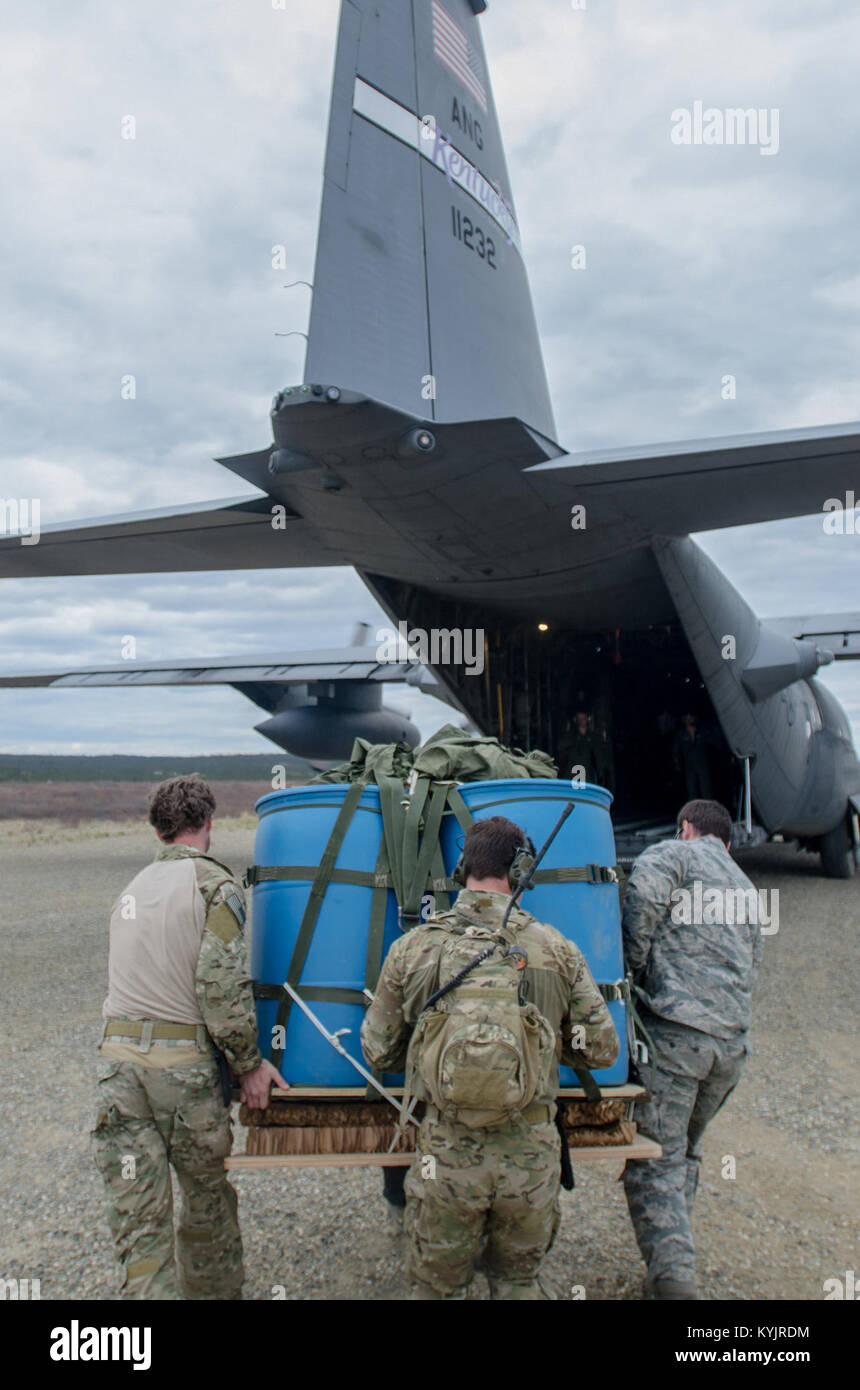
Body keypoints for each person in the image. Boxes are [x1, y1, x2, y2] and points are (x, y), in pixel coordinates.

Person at [361, 815, 618, 1300]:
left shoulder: (413, 949)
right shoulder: (558, 950)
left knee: (437, 1288)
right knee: (518, 1284)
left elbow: (379, 1048)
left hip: (446, 1154)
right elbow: (602, 1050)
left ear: (462, 869)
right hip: (531, 1158)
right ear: (520, 869)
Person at [91, 775, 286, 1299]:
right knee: (205, 1208)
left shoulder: (131, 890)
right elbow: (221, 988)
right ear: (207, 823)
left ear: (159, 830)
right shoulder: (214, 886)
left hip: (118, 1074)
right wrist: (248, 1064)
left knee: (139, 1220)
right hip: (182, 1078)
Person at [621, 798, 763, 1300]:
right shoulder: (746, 888)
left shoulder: (674, 856)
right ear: (726, 840)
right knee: (687, 1152)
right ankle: (669, 1265)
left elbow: (639, 909)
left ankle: (676, 1283)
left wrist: (630, 975)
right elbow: (752, 964)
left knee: (655, 1159)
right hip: (731, 1049)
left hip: (678, 1039)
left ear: (686, 828)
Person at [562, 709, 612, 789]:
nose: (582, 721)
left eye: (584, 718)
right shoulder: (569, 736)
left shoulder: (594, 738)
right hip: (571, 776)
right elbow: (561, 749)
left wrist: (601, 777)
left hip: (588, 777)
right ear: (576, 720)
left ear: (588, 719)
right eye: (579, 719)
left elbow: (599, 760)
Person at [672, 713, 713, 799]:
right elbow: (676, 750)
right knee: (692, 791)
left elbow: (711, 744)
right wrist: (677, 764)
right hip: (689, 767)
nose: (689, 720)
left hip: (703, 766)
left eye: (690, 718)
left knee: (706, 791)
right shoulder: (681, 734)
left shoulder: (702, 731)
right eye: (687, 718)